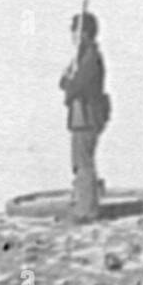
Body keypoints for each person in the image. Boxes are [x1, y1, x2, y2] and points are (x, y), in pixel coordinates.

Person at [59, 11, 109, 221]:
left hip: (86, 117)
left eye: (76, 32)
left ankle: (86, 210)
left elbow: (76, 86)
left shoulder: (90, 58)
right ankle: (84, 204)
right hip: (82, 117)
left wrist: (69, 82)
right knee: (80, 162)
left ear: (84, 34)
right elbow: (65, 82)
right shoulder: (83, 57)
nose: (73, 36)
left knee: (84, 163)